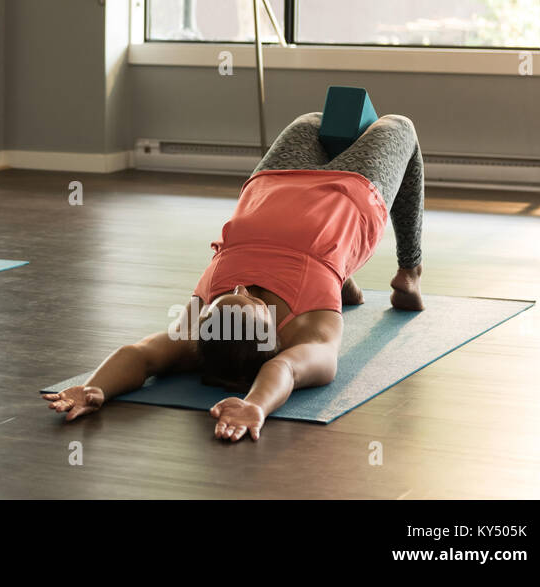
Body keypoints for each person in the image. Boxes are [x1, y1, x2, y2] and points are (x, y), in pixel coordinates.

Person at [42, 111, 426, 443]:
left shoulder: (198, 331)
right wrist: (254, 406)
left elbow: (140, 355)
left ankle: (341, 280)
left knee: (313, 122)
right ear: (276, 336)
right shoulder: (309, 331)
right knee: (400, 127)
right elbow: (286, 370)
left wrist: (96, 387)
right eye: (254, 300)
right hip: (353, 188)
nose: (241, 285)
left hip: (275, 181)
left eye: (227, 296)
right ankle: (409, 272)